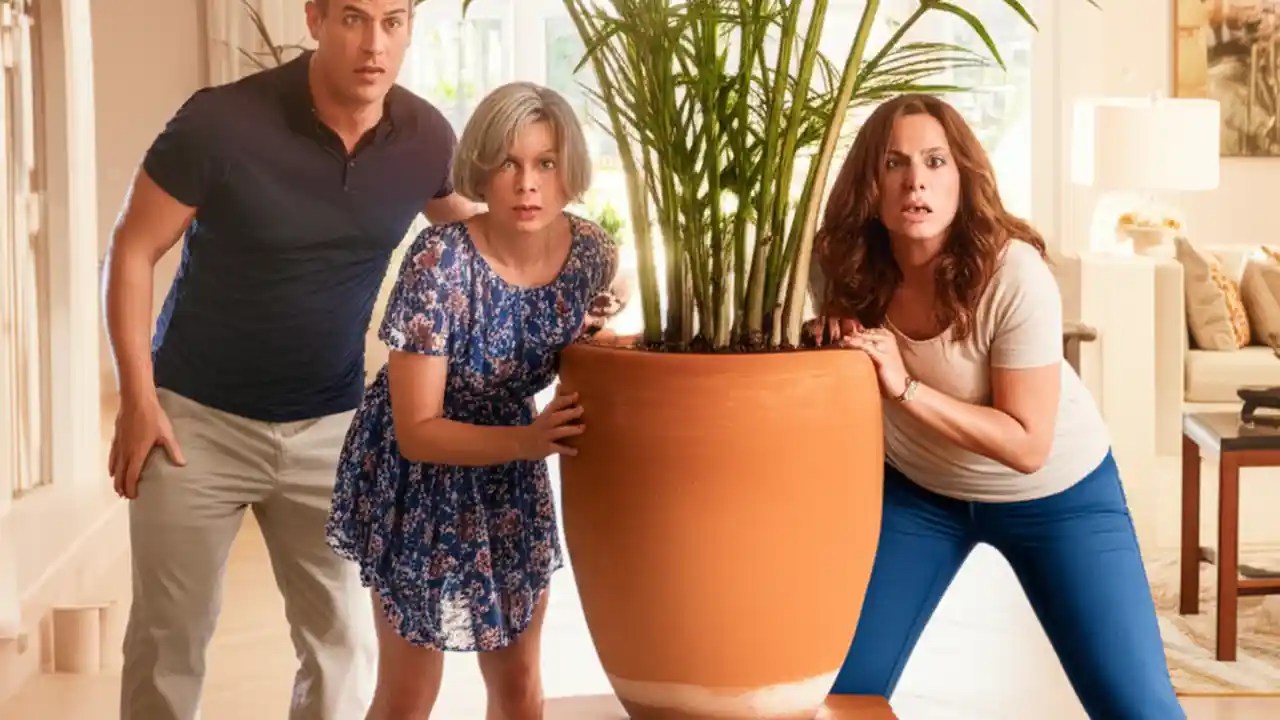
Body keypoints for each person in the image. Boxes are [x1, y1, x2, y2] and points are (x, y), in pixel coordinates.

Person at [102, 2, 479, 718]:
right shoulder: (220, 123)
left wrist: (576, 275)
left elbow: (479, 241)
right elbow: (132, 248)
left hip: (333, 431)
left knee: (341, 645)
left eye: (393, 21)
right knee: (168, 642)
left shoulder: (425, 137)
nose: (374, 44)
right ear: (314, 18)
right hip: (192, 426)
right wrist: (137, 399)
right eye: (353, 18)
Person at [811, 94, 1185, 719]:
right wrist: (822, 339)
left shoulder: (1013, 273)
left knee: (1138, 709)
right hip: (919, 493)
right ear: (868, 185)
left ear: (963, 178)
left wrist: (904, 387)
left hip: (1059, 497)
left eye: (935, 162)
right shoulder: (840, 267)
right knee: (841, 693)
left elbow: (1027, 444)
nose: (915, 181)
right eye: (894, 163)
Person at [324, 81, 619, 719]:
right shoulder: (439, 262)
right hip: (415, 472)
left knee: (519, 684)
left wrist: (605, 323)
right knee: (409, 692)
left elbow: (601, 313)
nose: (527, 184)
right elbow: (417, 430)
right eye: (508, 162)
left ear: (569, 172)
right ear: (482, 169)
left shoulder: (591, 253)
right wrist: (530, 441)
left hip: (510, 469)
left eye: (545, 163)